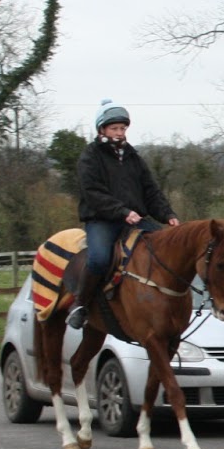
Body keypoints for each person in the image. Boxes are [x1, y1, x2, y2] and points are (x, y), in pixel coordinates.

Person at [68, 100, 179, 329]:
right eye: (114, 128)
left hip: (135, 221)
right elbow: (93, 193)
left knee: (166, 250)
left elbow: (151, 191)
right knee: (98, 259)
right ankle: (81, 305)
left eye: (122, 128)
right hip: (102, 220)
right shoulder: (90, 157)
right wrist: (122, 212)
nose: (119, 133)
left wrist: (167, 214)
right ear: (102, 130)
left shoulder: (133, 157)